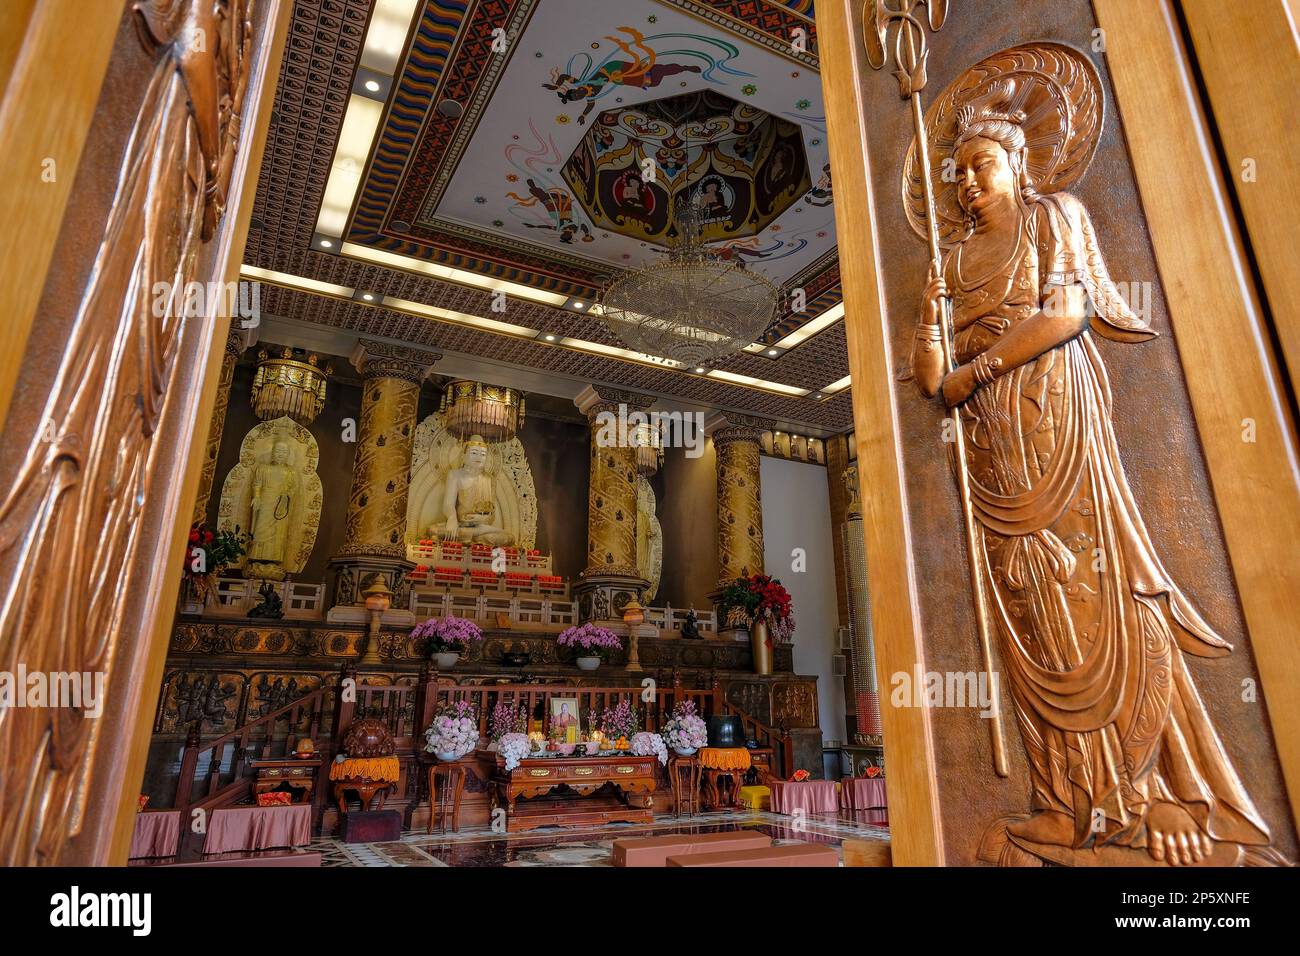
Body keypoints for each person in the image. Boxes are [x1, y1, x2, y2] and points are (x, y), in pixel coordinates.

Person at [911, 80, 1271, 866]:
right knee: (1025, 616)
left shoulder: (1053, 218)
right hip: (990, 458)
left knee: (1089, 594)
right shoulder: (954, 259)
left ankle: (1141, 793)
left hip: (1057, 429)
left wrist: (977, 368)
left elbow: (1067, 314)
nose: (968, 183)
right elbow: (929, 380)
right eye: (958, 175)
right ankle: (1062, 800)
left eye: (981, 165)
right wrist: (935, 328)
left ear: (1016, 164)